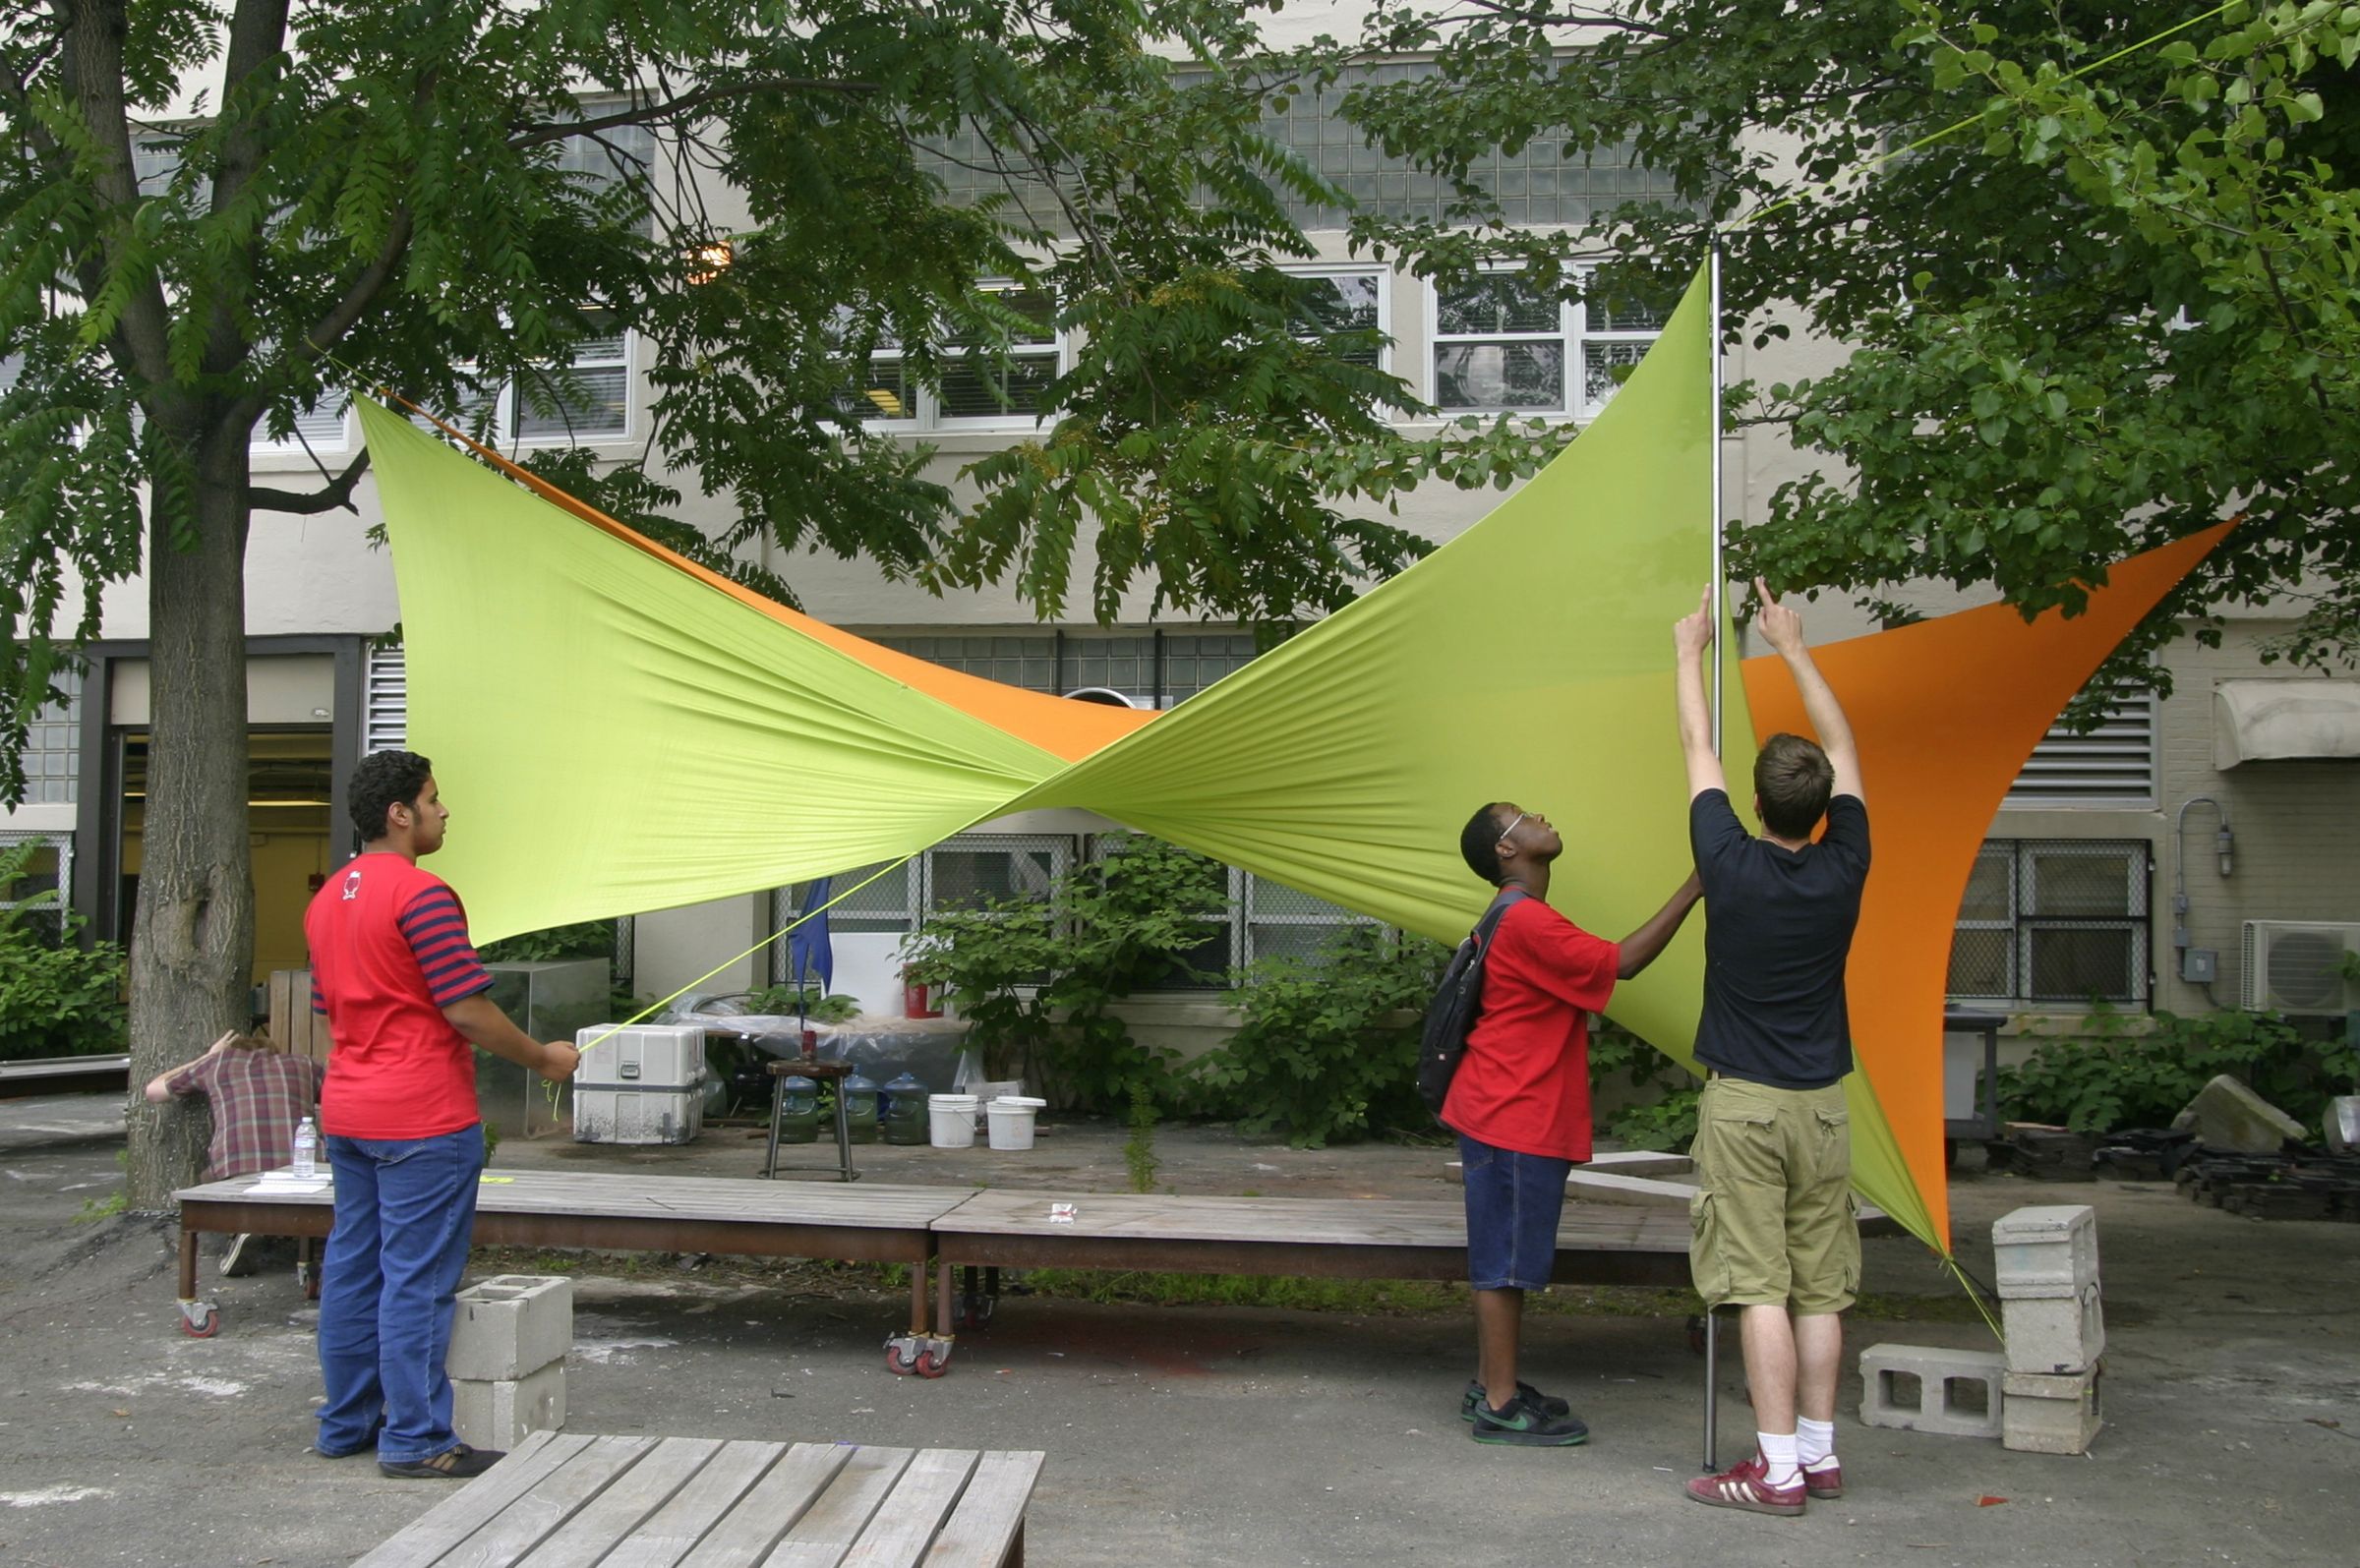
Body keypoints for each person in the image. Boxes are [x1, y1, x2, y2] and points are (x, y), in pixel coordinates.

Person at [304, 749, 579, 1481]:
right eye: (433, 798)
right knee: (416, 1280)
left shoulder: (326, 899)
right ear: (401, 813)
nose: (444, 809)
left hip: (351, 1112)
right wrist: (544, 1059)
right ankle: (418, 1439)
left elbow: (328, 1012)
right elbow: (465, 1008)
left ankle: (346, 1424)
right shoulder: (423, 895)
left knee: (354, 1269)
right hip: (422, 1118)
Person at [1671, 580, 1870, 1516]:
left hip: (1745, 1103)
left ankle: (1778, 1469)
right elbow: (1846, 748)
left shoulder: (1728, 859)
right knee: (1820, 1288)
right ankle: (1821, 1454)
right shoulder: (1846, 865)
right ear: (1827, 805)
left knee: (1758, 1285)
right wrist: (1790, 646)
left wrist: (1690, 650)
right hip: (1825, 1105)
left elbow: (1696, 745)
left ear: (1755, 802)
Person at [1446, 801, 1702, 1445]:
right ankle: (1500, 1406)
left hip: (1505, 1106)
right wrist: (1699, 882)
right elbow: (1623, 962)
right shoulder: (1527, 920)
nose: (1540, 814)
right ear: (1507, 850)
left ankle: (1491, 1382)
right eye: (1520, 815)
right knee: (1505, 1263)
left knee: (1506, 1255)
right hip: (1512, 1112)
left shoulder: (1516, 915)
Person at [145, 1028, 324, 1276]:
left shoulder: (215, 1064)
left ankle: (243, 1228)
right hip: (304, 1169)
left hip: (236, 1165)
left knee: (210, 1176)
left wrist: (205, 1057)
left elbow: (153, 1091)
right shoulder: (305, 1064)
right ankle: (302, 1243)